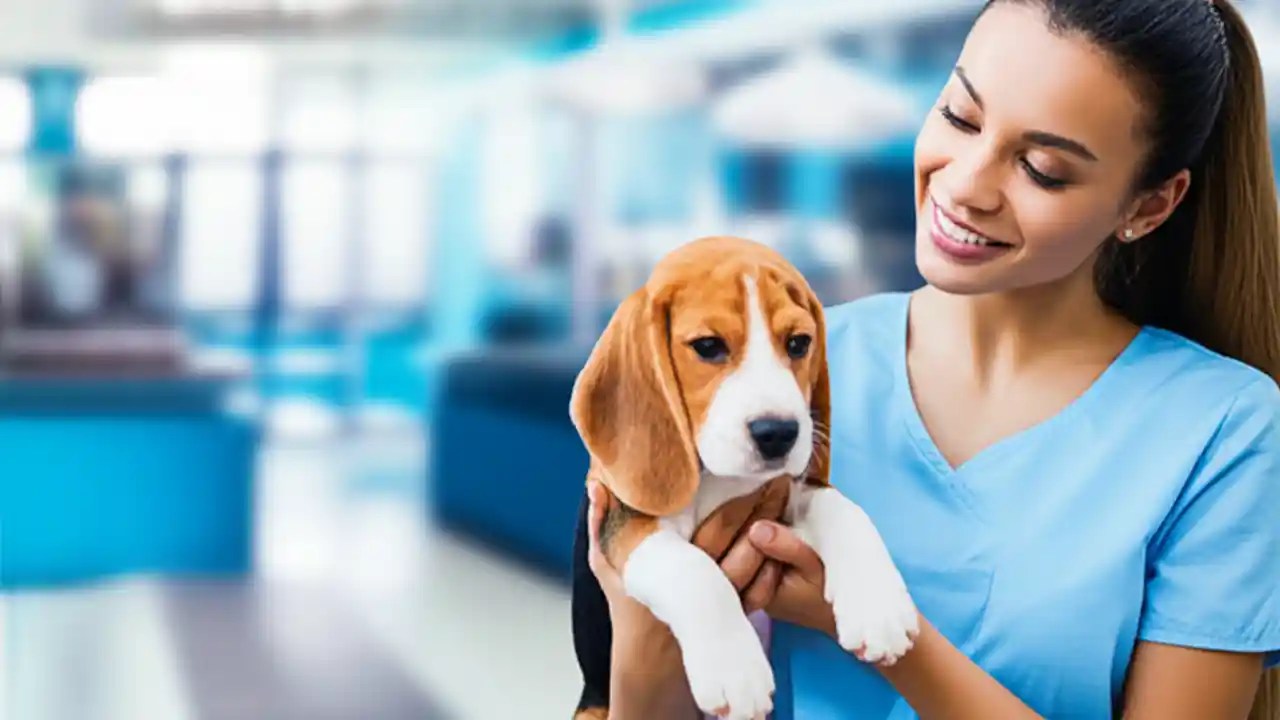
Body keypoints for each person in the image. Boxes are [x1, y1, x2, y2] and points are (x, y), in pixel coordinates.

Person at [579, 0, 1280, 717]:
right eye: (959, 116)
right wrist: (644, 624)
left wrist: (886, 637)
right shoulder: (790, 375)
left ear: (1151, 206)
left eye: (1041, 168)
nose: (967, 184)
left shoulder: (1223, 427)